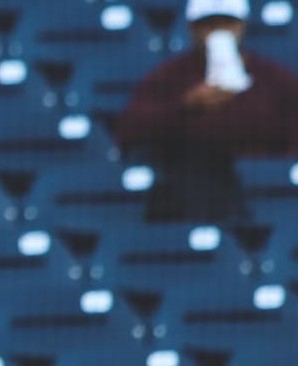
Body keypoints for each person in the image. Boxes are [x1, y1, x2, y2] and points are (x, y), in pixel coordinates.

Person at [115, 0, 298, 223]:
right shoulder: (169, 77)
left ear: (243, 25)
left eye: (227, 23)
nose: (219, 32)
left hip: (265, 185)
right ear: (192, 28)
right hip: (192, 188)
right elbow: (129, 130)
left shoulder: (274, 79)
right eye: (209, 24)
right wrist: (186, 106)